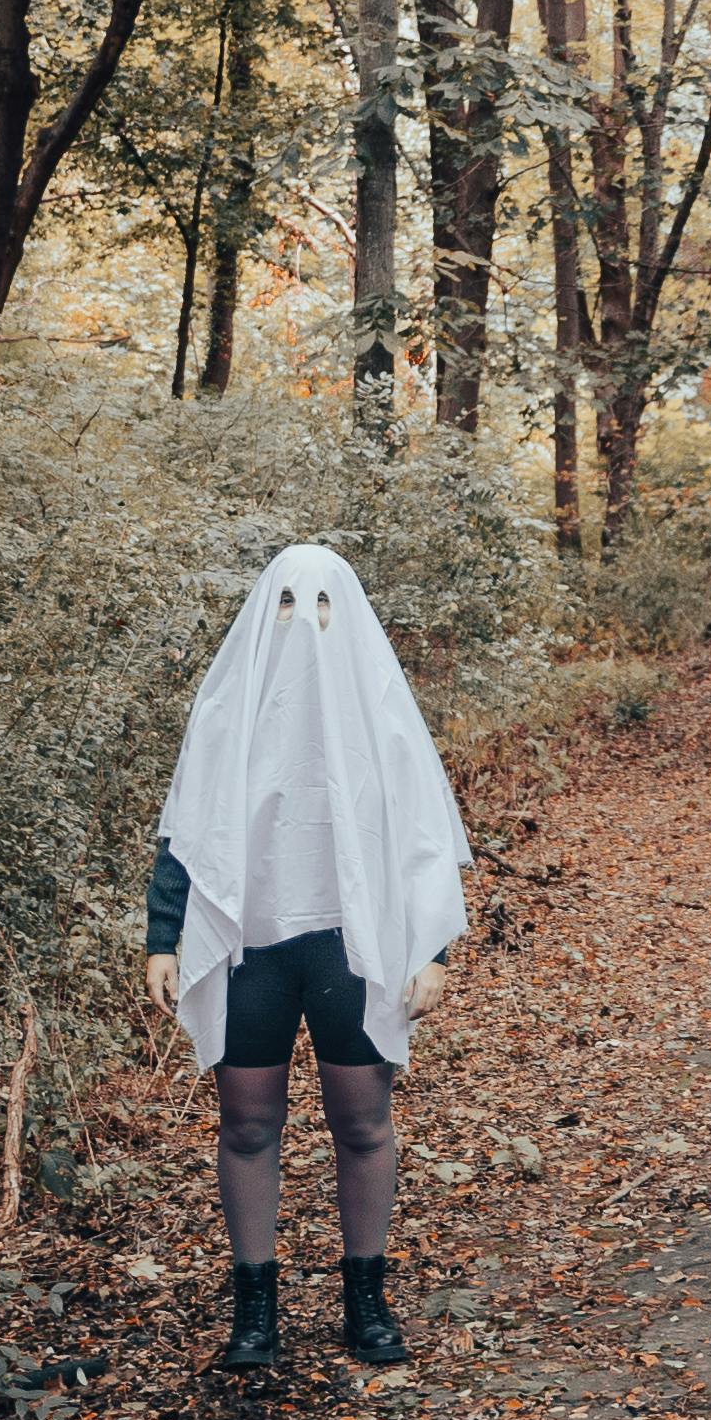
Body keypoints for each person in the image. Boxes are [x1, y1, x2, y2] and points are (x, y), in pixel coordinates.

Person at [144, 542, 474, 1371]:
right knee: (248, 1123)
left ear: (347, 614)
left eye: (323, 606)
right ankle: (254, 1306)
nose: (305, 623)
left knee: (362, 1124)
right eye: (288, 605)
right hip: (250, 946)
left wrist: (431, 949)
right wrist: (163, 934)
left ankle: (366, 1298)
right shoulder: (229, 706)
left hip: (353, 947)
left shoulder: (380, 706)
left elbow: (424, 832)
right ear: (265, 613)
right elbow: (186, 821)